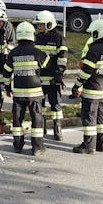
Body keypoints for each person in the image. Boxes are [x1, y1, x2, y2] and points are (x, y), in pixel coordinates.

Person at [3, 22, 50, 155]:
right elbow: (47, 63)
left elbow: (6, 73)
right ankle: (37, 147)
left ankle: (18, 145)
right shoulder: (37, 52)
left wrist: (7, 87)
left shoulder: (13, 53)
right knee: (37, 120)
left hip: (18, 94)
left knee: (17, 120)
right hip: (35, 93)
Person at [71, 19, 103, 154]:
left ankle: (88, 146)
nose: (92, 35)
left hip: (92, 91)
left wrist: (76, 86)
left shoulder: (94, 50)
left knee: (89, 117)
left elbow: (86, 72)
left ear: (99, 33)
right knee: (102, 118)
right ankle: (102, 144)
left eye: (93, 33)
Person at [33, 10, 67, 140]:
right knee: (39, 105)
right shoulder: (37, 38)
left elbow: (63, 58)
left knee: (56, 105)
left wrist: (59, 73)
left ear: (49, 24)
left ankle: (57, 128)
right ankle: (42, 128)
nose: (39, 27)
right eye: (38, 25)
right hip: (38, 78)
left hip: (53, 78)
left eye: (41, 24)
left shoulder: (59, 39)